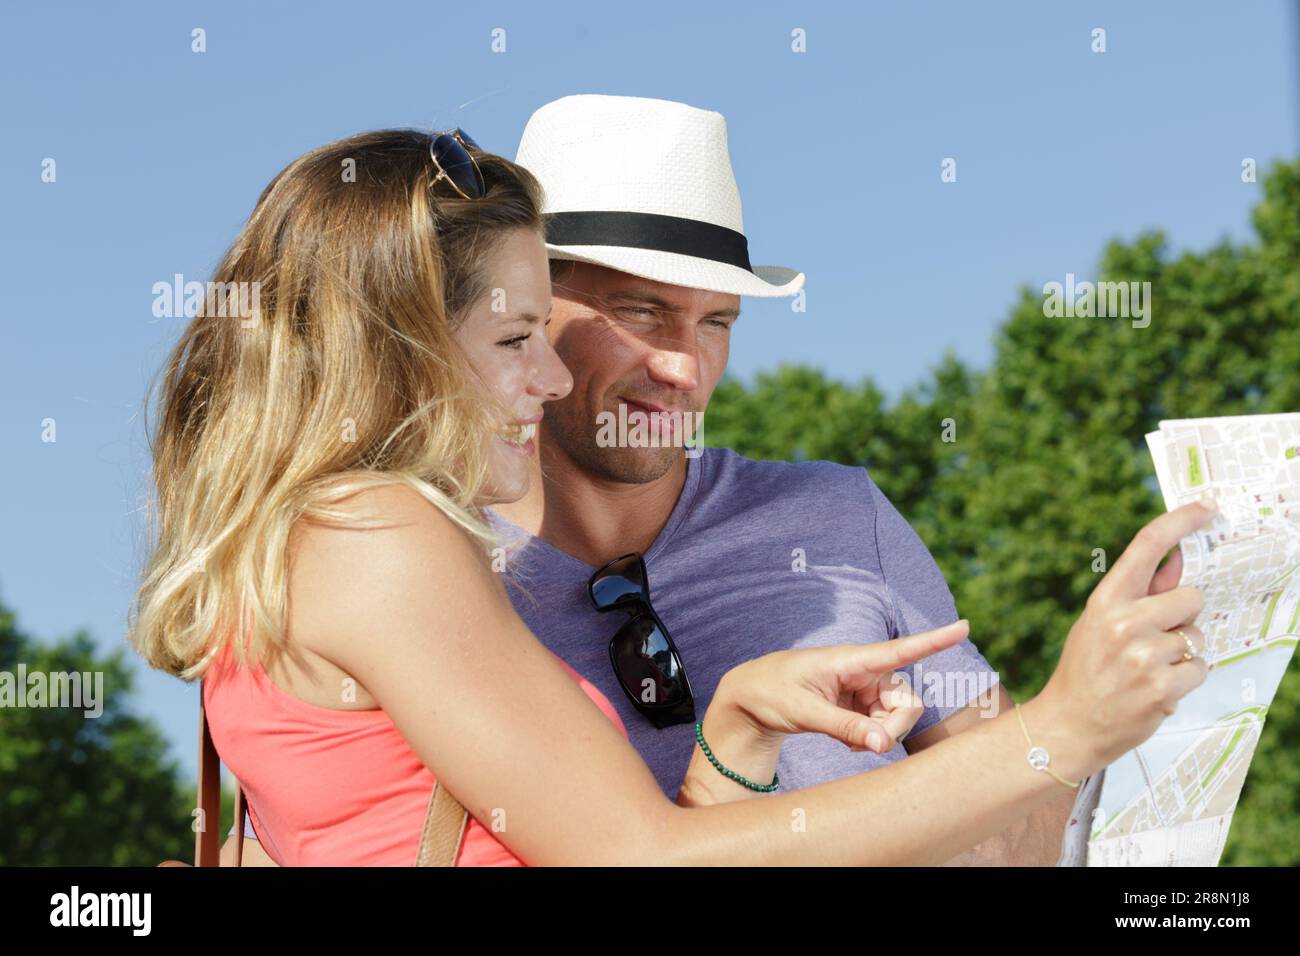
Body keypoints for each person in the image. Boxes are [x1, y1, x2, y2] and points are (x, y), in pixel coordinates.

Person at [130, 126, 1213, 866]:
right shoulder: (381, 532)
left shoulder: (314, 536)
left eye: (717, 322)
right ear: (397, 346)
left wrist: (733, 731)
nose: (682, 369)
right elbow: (642, 859)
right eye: (517, 337)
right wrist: (1063, 728)